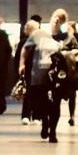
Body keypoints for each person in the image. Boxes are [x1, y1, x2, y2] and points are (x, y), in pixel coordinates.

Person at [25, 12, 62, 142]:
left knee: (55, 105)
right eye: (53, 22)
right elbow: (25, 53)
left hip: (57, 77)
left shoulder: (65, 37)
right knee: (42, 103)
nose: (55, 24)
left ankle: (53, 131)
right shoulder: (39, 38)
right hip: (40, 77)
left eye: (57, 22)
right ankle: (46, 123)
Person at [16, 19, 40, 124]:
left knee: (32, 92)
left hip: (33, 70)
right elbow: (19, 57)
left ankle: (30, 116)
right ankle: (33, 116)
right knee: (32, 92)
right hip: (31, 70)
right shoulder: (27, 42)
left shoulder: (35, 41)